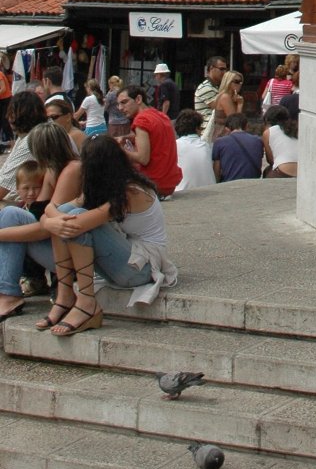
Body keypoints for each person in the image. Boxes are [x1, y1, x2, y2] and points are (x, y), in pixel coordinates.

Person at [38, 134, 177, 335]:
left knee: (72, 219)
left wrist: (50, 220)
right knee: (64, 218)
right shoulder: (103, 187)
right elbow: (55, 209)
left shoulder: (131, 191)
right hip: (123, 260)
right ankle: (65, 294)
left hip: (142, 267)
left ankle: (86, 303)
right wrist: (50, 219)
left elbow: (77, 223)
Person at [0, 122, 81, 318]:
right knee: (8, 215)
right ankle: (6, 289)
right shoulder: (53, 171)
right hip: (62, 249)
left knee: (11, 215)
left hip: (75, 256)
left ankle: (8, 292)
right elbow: (39, 215)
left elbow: (46, 227)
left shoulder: (72, 170)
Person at [116, 84, 182, 198]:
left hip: (152, 183)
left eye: (124, 102)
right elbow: (154, 136)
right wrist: (126, 138)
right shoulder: (160, 115)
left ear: (138, 99)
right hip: (169, 183)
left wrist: (118, 150)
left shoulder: (141, 120)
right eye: (118, 104)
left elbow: (143, 158)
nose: (120, 108)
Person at [0, 90, 47, 203]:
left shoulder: (32, 141)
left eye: (11, 112)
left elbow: (2, 189)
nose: (8, 117)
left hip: (22, 203)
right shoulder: (31, 135)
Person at [212, 113, 264, 182]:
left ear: (227, 128)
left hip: (229, 183)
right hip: (253, 182)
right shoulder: (258, 140)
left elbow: (216, 171)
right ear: (246, 126)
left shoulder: (220, 142)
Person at [173, 110, 215, 192]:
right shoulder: (206, 146)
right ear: (197, 129)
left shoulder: (174, 146)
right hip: (209, 190)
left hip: (183, 192)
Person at [194, 57, 226, 142]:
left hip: (215, 133)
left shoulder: (216, 87)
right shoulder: (206, 88)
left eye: (225, 69)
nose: (224, 73)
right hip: (208, 134)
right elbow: (220, 109)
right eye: (221, 69)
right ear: (211, 68)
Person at [262, 104, 299, 176]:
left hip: (283, 172)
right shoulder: (296, 128)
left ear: (267, 120)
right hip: (303, 171)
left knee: (267, 172)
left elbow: (270, 160)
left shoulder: (268, 132)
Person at [0, 53, 13, 149]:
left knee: (5, 121)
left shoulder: (0, 74)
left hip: (5, 99)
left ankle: (12, 142)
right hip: (2, 100)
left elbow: (3, 88)